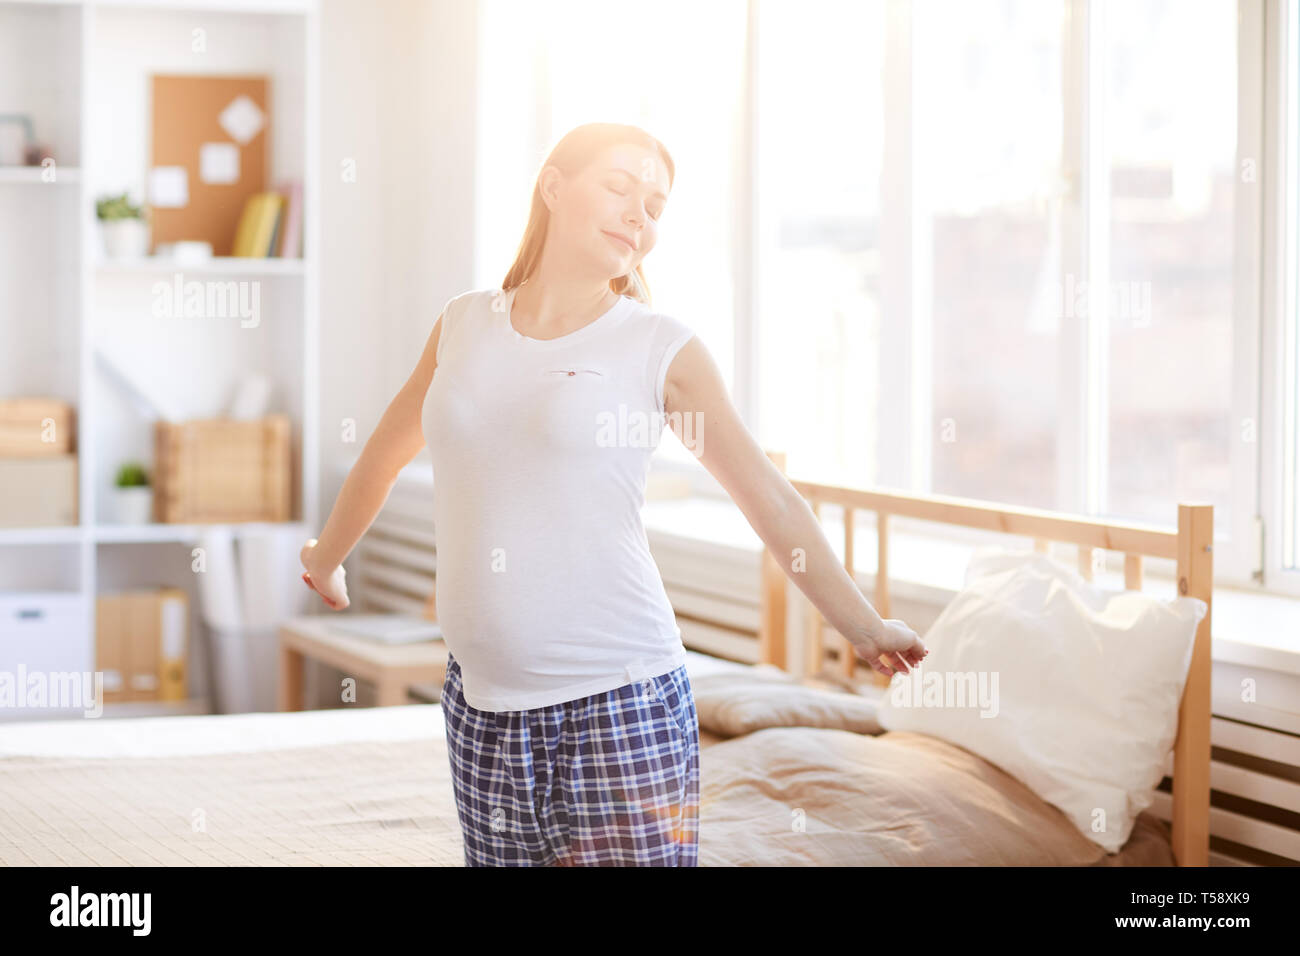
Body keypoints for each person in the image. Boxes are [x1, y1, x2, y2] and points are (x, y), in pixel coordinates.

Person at [299, 121, 929, 867]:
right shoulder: (462, 325)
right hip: (481, 709)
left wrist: (862, 625)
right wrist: (326, 556)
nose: (640, 215)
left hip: (618, 701)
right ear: (555, 187)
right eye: (620, 188)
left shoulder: (659, 347)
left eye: (656, 206)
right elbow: (386, 450)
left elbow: (768, 497)